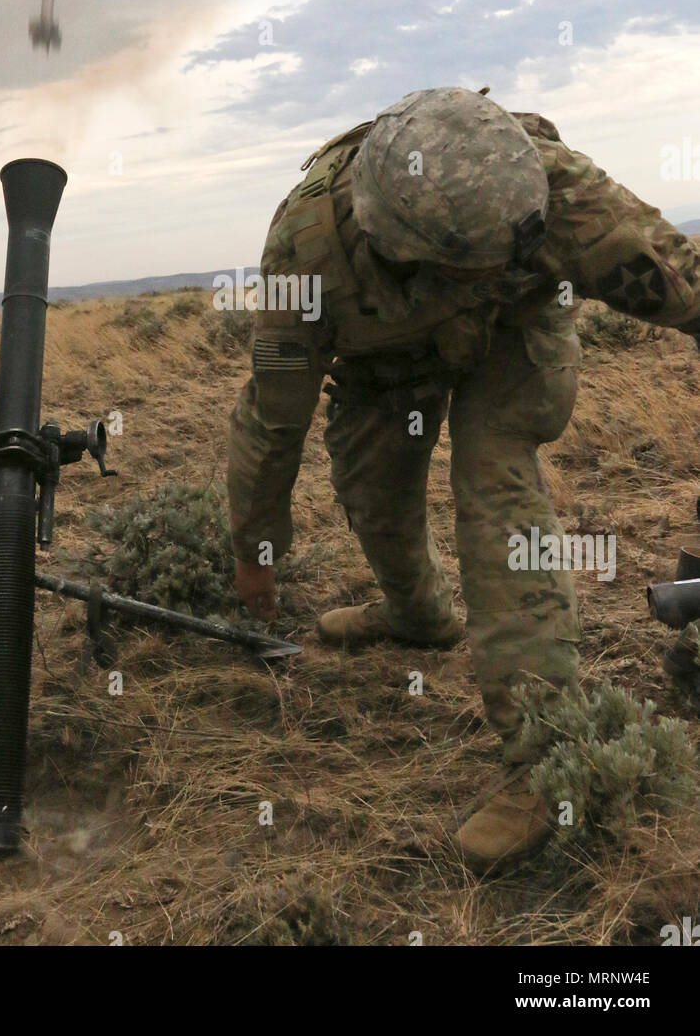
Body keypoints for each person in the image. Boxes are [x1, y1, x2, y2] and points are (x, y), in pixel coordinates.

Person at [227, 87, 700, 873]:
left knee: (496, 489)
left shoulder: (553, 189)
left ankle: (547, 758)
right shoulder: (301, 259)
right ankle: (416, 617)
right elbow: (271, 422)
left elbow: (678, 279)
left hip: (515, 335)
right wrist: (255, 553)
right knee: (374, 495)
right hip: (387, 360)